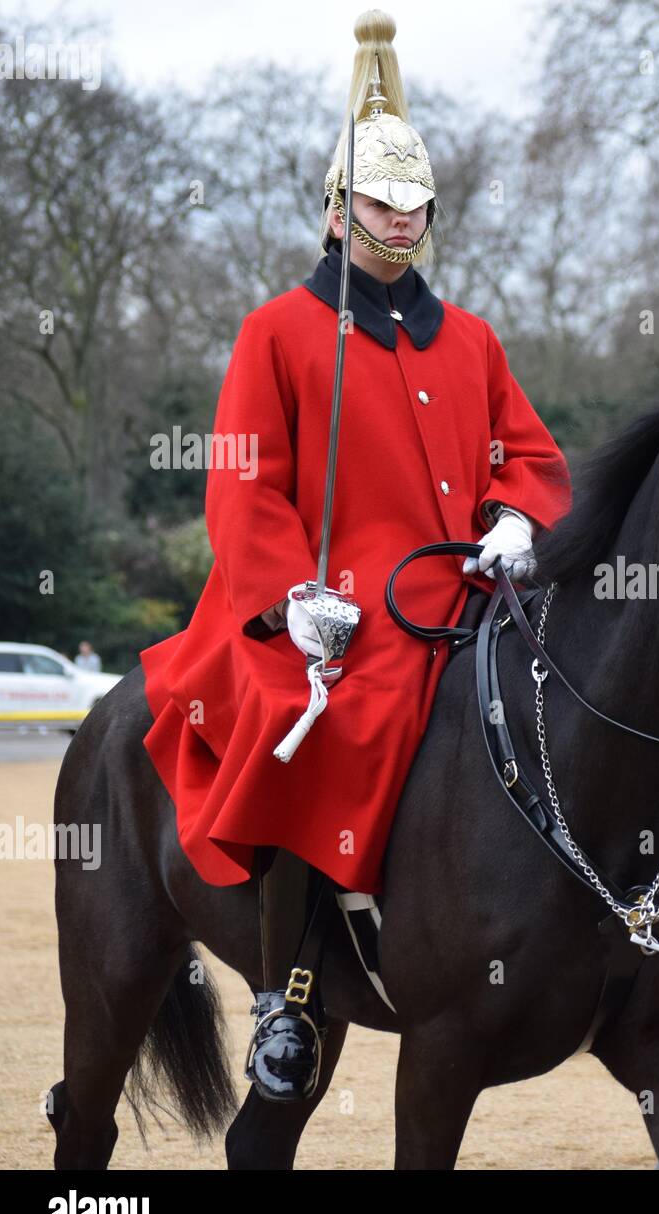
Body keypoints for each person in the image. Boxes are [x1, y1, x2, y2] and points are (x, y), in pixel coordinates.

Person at [137, 10, 570, 1103]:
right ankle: (286, 997)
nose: (402, 219)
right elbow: (242, 487)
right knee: (328, 722)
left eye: (416, 204)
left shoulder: (468, 337)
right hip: (331, 607)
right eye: (381, 202)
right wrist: (294, 596)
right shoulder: (277, 332)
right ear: (338, 211)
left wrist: (519, 514)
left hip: (465, 592)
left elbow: (528, 453)